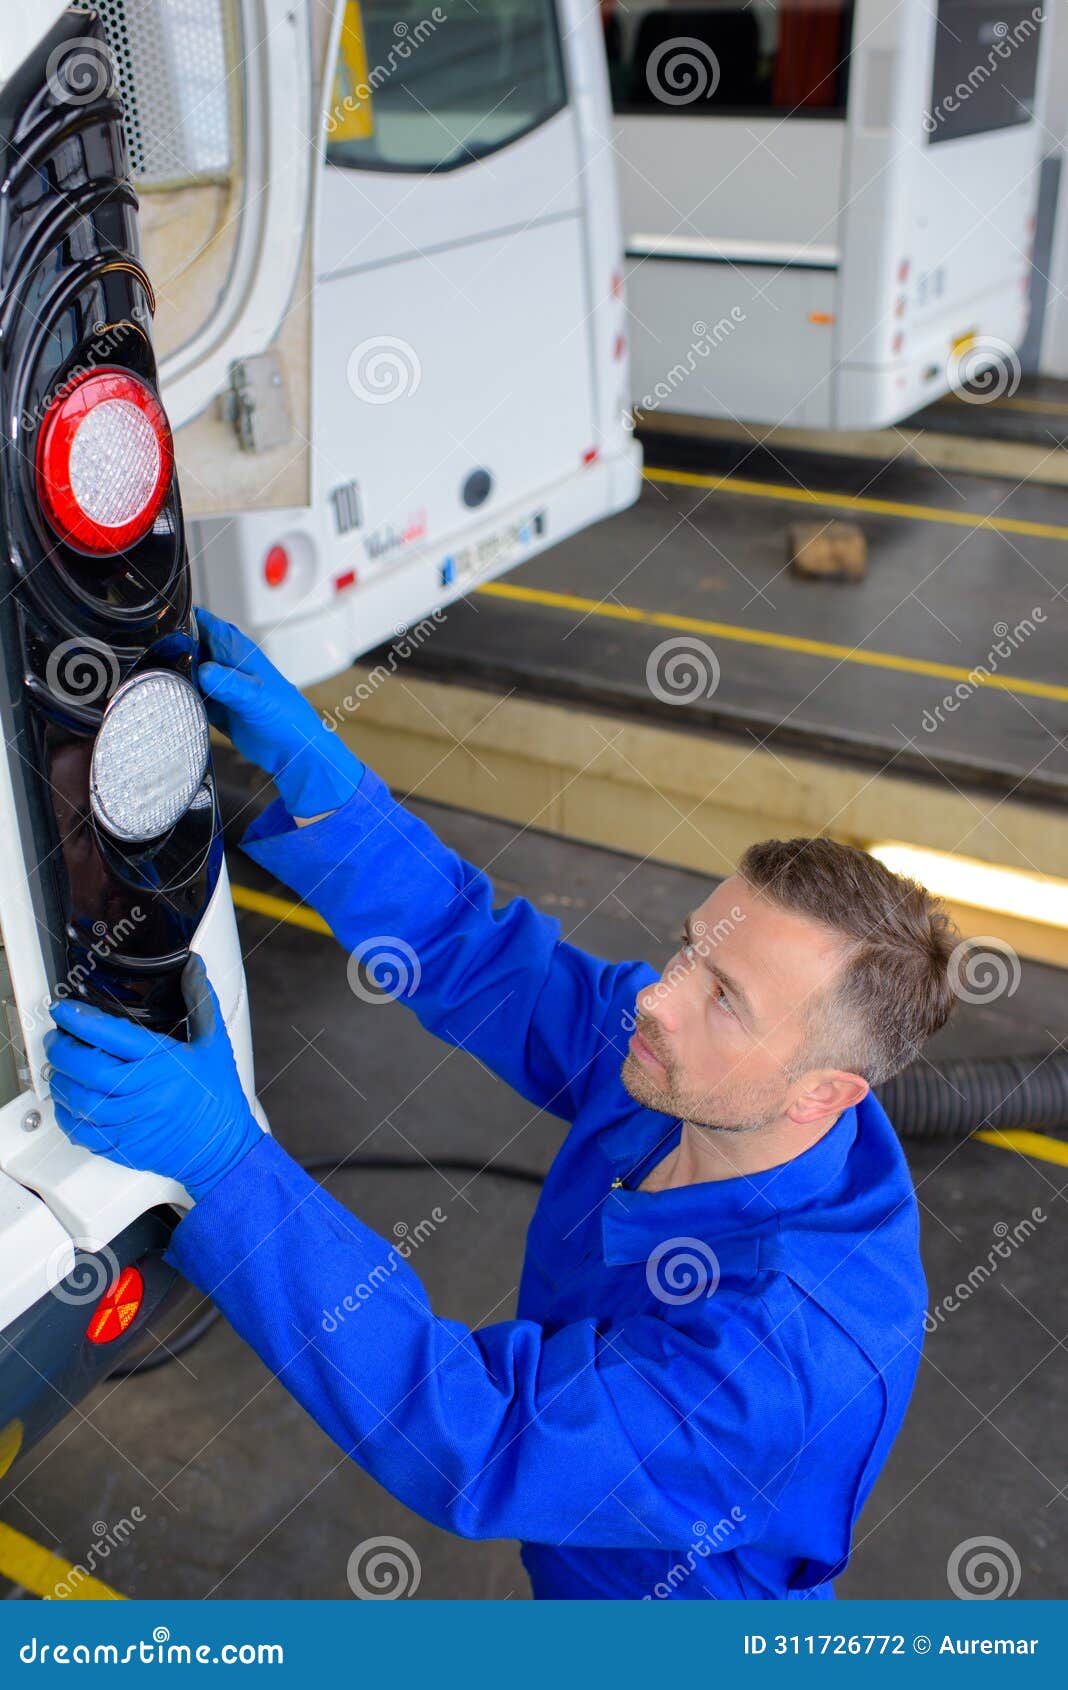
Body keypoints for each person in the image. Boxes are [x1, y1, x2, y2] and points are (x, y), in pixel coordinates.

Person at [44, 607, 960, 1601]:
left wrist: (232, 1167)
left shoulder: (784, 1360)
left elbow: (479, 1435)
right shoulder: (706, 1076)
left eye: (724, 996)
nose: (657, 994)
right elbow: (488, 962)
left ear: (826, 1091)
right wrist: (338, 797)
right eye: (692, 946)